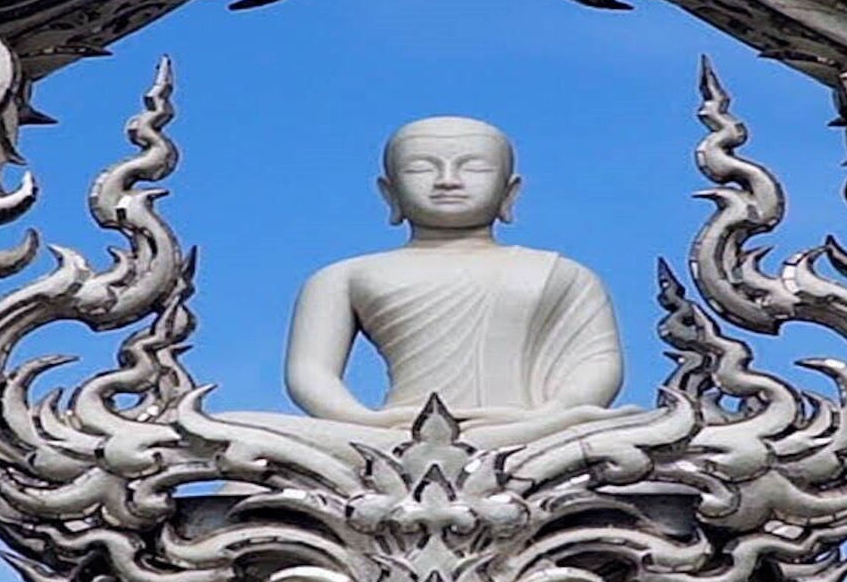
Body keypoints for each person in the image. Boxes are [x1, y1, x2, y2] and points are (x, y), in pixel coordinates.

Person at [222, 116, 631, 452]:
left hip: (533, 433)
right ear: (389, 193)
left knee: (643, 440)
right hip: (393, 436)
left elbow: (596, 363)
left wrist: (551, 415)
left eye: (473, 167)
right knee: (237, 433)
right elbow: (311, 374)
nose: (448, 180)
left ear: (511, 192)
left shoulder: (563, 273)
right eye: (421, 168)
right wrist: (361, 420)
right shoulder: (343, 277)